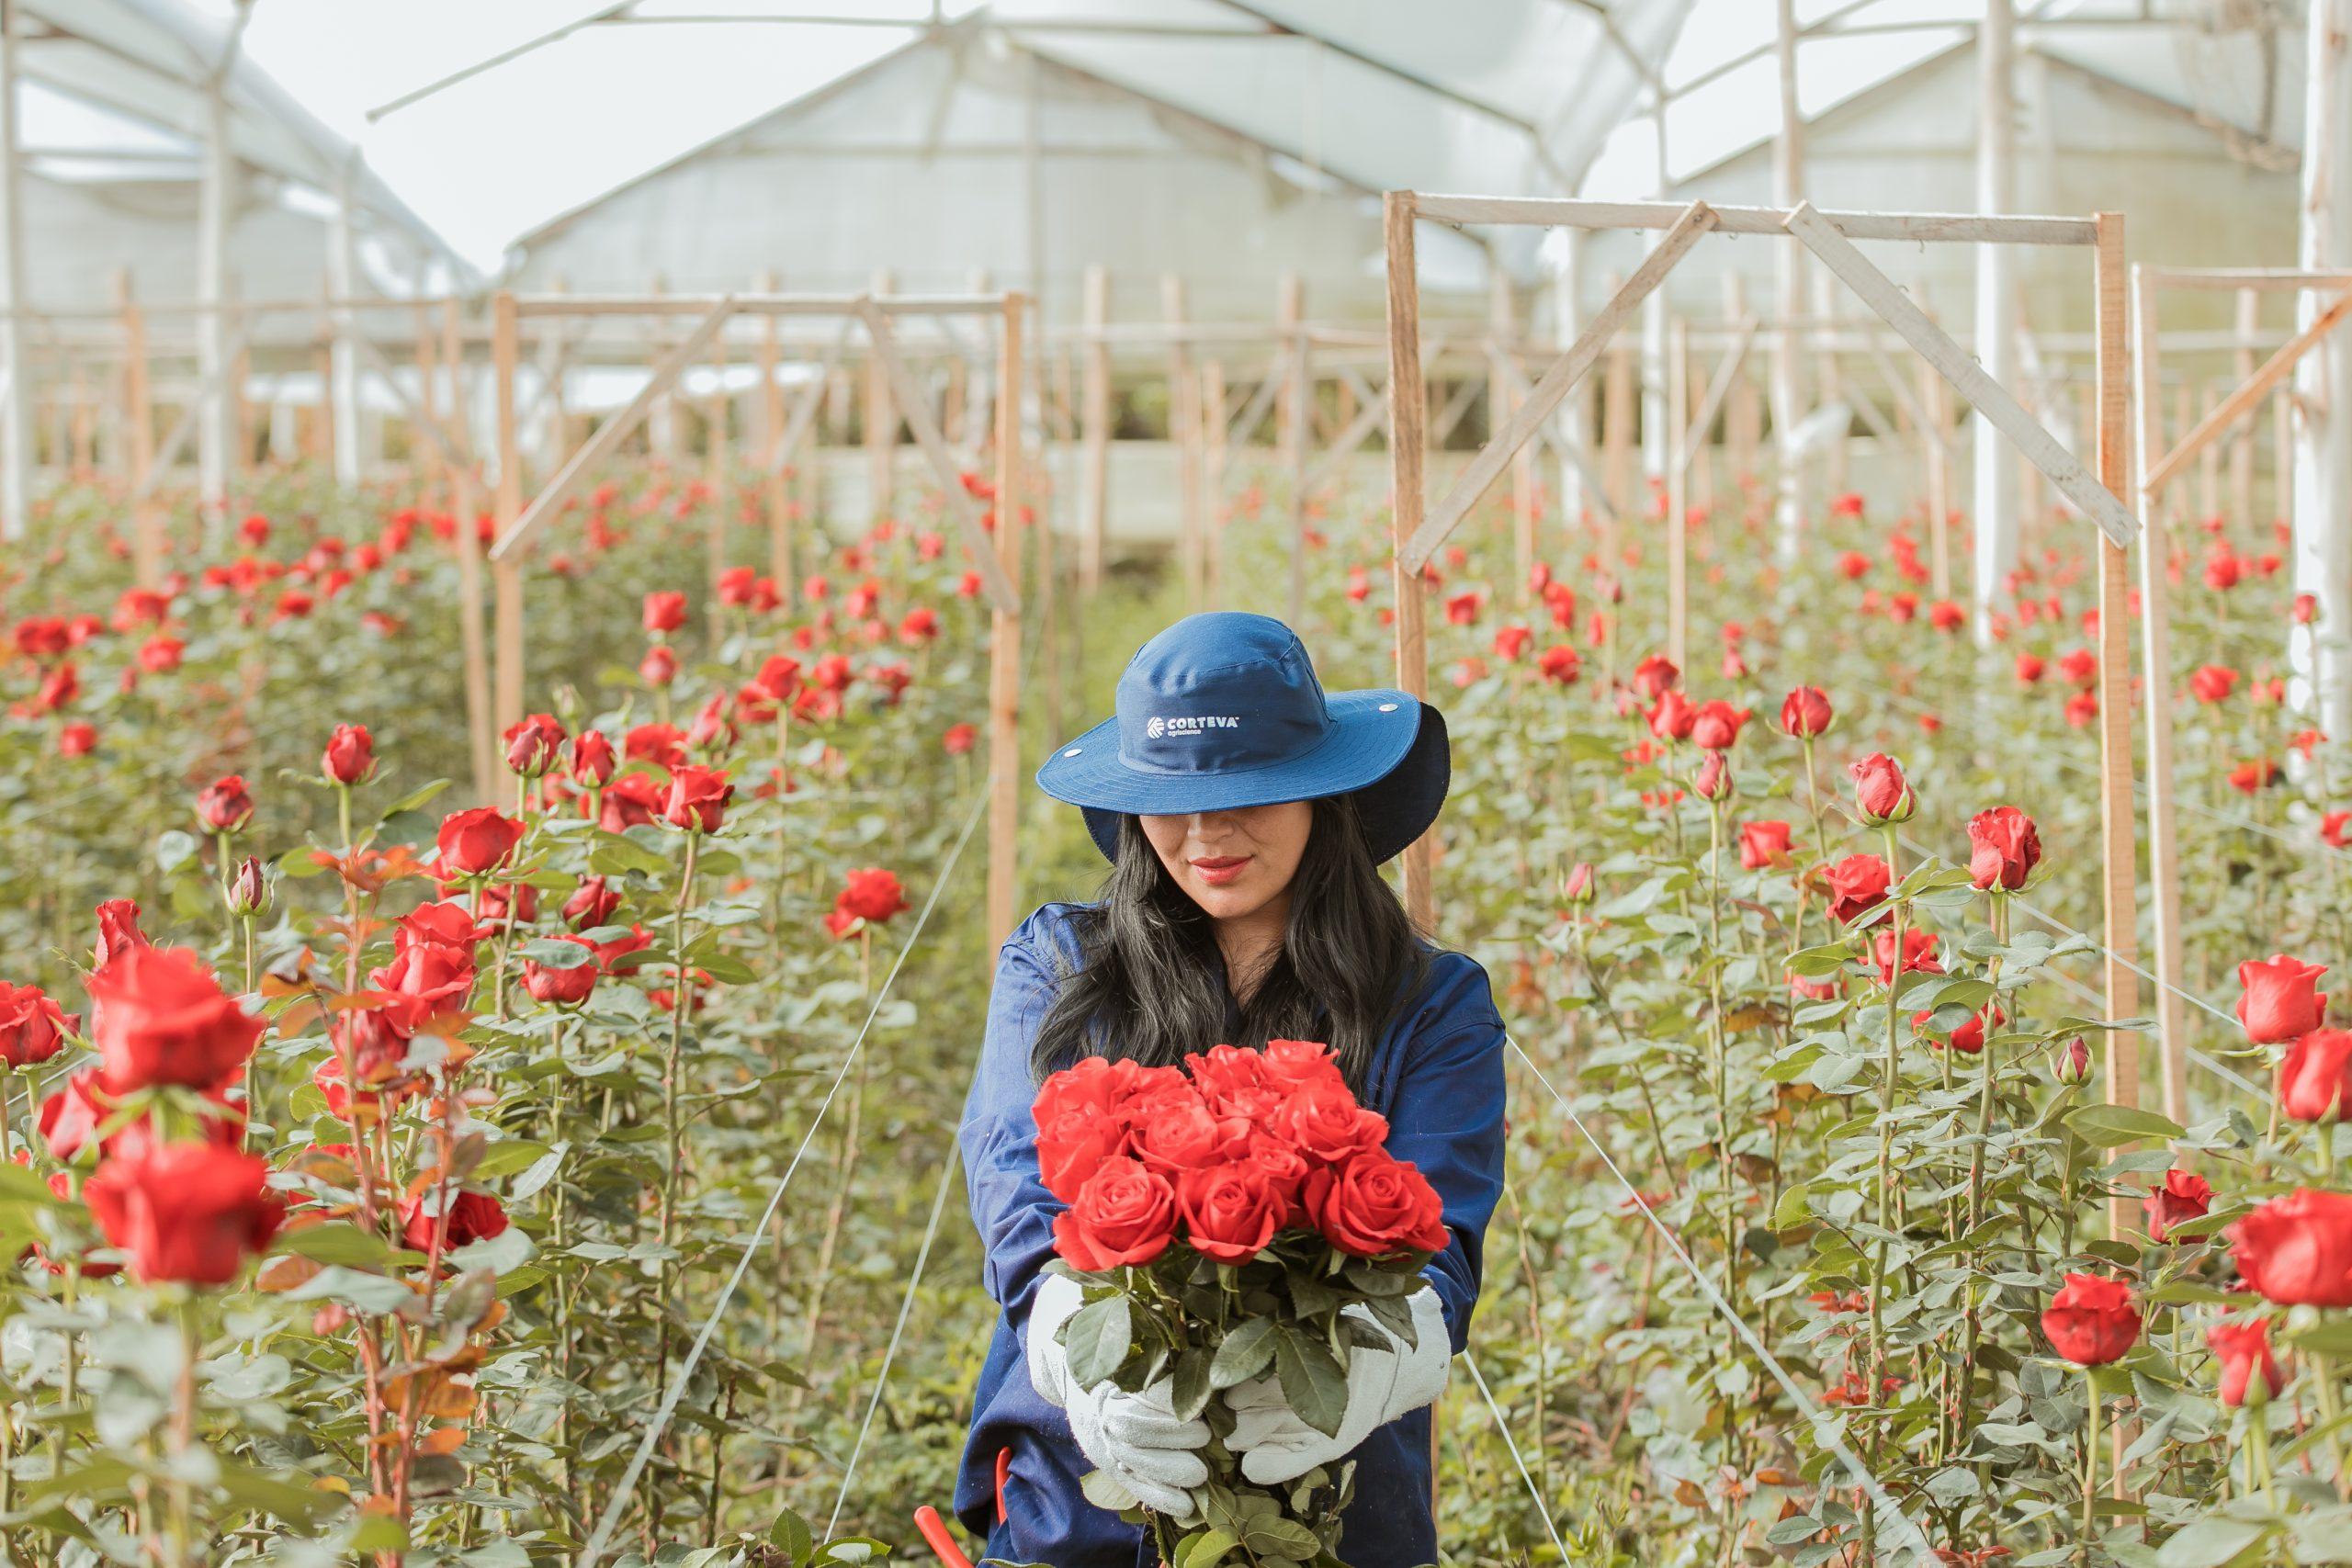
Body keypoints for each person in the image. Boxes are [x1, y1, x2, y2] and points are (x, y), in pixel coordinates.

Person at [955, 611, 1507, 1566]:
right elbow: (1013, 1174)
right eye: (1171, 797)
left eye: (1250, 792)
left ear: (1322, 794)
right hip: (1080, 1505)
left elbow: (1439, 1227)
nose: (1207, 834)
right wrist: (1075, 1352)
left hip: (1323, 1503)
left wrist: (1366, 1368)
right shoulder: (1059, 964)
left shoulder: (1428, 1001)